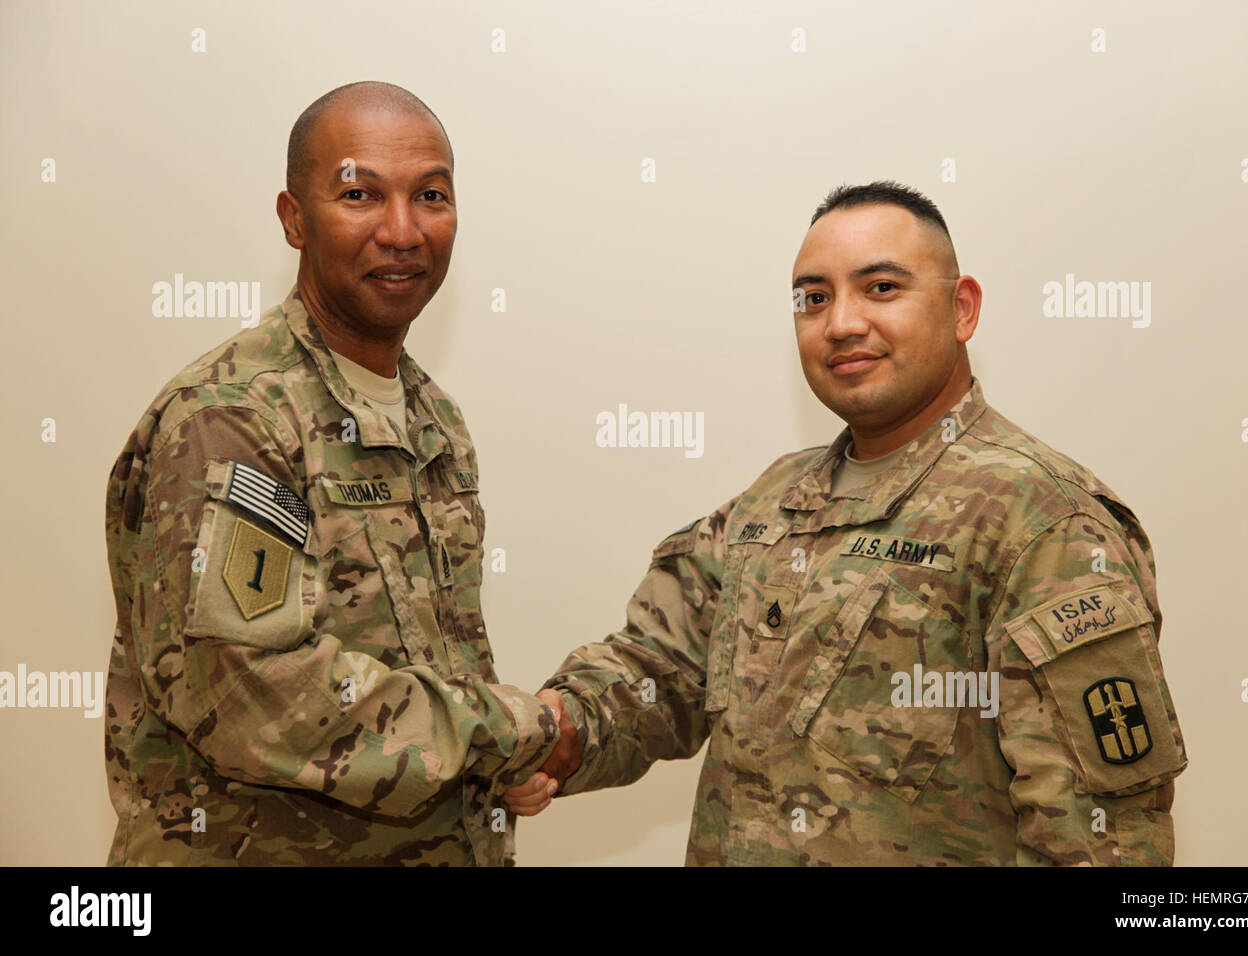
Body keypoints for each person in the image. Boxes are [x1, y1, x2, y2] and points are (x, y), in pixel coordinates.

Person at [506, 181, 1189, 865]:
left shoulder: (1043, 524)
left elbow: (1102, 844)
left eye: (882, 288)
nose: (841, 324)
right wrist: (553, 733)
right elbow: (656, 675)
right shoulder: (770, 504)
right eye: (814, 298)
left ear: (963, 308)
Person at [103, 81, 578, 866]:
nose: (402, 230)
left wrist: (492, 769)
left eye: (430, 195)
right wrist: (507, 729)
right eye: (359, 194)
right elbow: (252, 690)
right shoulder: (233, 417)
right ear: (295, 219)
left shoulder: (433, 419)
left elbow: (435, 661)